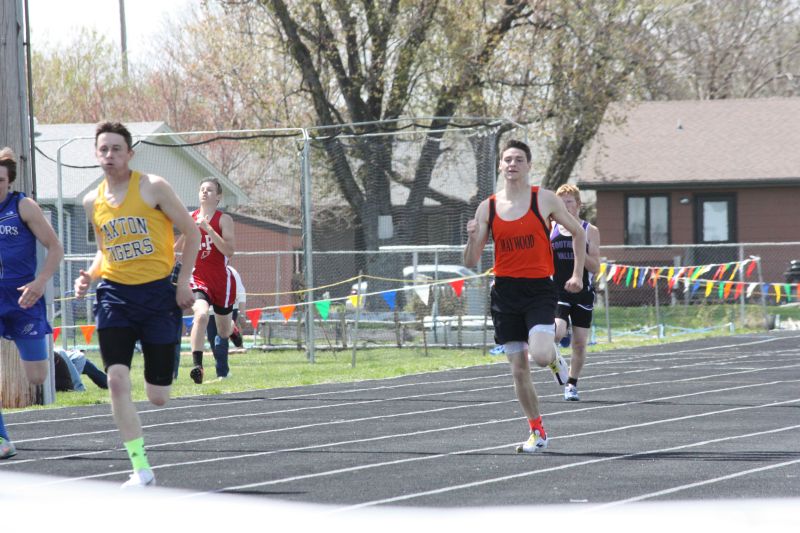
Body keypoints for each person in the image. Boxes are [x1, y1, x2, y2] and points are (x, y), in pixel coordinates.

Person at [73, 122, 200, 488]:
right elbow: (103, 251)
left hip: (159, 296)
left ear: (130, 153)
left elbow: (190, 233)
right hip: (115, 296)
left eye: (116, 148)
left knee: (157, 397)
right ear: (96, 155)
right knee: (115, 380)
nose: (109, 155)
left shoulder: (153, 187)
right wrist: (90, 277)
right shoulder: (91, 201)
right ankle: (140, 468)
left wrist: (183, 282)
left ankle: (159, 380)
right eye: (103, 149)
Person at [464, 139, 585, 454]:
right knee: (518, 368)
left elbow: (579, 232)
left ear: (529, 165)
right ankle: (537, 431)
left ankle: (556, 359)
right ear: (500, 166)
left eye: (518, 159)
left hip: (539, 289)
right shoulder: (487, 207)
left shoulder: (544, 200)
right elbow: (471, 260)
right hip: (505, 292)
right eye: (507, 159)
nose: (512, 164)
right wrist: (471, 237)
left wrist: (575, 274)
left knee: (542, 355)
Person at [0, 147, 64, 460]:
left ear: (8, 182)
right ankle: (3, 438)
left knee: (37, 376)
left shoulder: (23, 206)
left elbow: (55, 247)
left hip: (24, 298)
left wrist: (40, 283)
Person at [176, 178, 236, 383]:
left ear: (218, 196)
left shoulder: (223, 219)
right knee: (201, 315)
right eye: (202, 189)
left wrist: (208, 228)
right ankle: (197, 367)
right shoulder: (190, 218)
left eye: (209, 190)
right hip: (198, 278)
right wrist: (188, 230)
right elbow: (177, 248)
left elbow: (229, 251)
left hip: (221, 281)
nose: (204, 193)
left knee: (223, 331)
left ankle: (232, 327)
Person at [550, 184, 601, 401]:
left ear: (578, 205)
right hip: (557, 291)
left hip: (582, 292)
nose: (565, 206)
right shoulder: (550, 227)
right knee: (557, 332)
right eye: (561, 202)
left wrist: (578, 246)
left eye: (569, 201)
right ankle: (555, 361)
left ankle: (571, 384)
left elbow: (595, 266)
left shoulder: (590, 230)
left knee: (579, 343)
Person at [205, 265, 246, 379]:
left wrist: (242, 314)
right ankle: (233, 331)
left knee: (220, 338)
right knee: (212, 339)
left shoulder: (231, 271)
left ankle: (222, 372)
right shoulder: (201, 271)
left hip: (228, 308)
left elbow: (241, 293)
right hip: (210, 311)